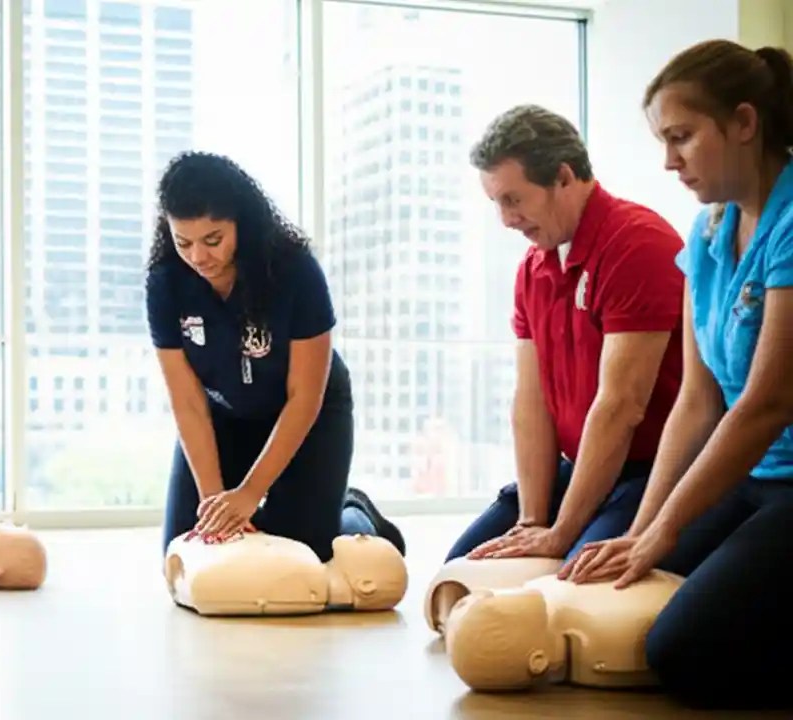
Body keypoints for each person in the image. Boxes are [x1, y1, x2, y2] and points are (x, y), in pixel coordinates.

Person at [560, 40, 793, 711]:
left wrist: (663, 531)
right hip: (750, 479)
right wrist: (644, 525)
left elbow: (767, 403)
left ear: (744, 124)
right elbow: (697, 400)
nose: (669, 161)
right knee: (611, 574)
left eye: (683, 138)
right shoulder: (709, 230)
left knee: (681, 652)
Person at [444, 105, 686, 564]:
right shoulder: (533, 268)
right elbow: (531, 401)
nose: (506, 219)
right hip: (575, 470)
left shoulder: (638, 245)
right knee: (459, 575)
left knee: (565, 586)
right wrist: (533, 521)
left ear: (562, 177)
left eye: (513, 200)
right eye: (496, 203)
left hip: (648, 475)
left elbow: (621, 407)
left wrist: (562, 533)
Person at [146, 150, 404, 564]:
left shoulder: (295, 271)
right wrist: (216, 503)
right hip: (224, 415)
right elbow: (188, 402)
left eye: (213, 240)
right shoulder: (165, 284)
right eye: (184, 243)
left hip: (308, 410)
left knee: (304, 552)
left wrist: (249, 494)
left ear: (241, 225)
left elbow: (305, 395)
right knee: (186, 547)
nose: (198, 257)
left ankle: (354, 511)